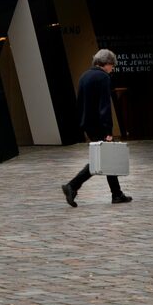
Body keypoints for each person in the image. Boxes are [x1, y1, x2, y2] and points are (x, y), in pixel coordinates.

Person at [62, 49, 132, 207]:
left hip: (88, 124)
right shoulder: (103, 77)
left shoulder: (84, 76)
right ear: (106, 64)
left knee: (107, 157)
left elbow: (80, 103)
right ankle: (72, 185)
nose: (112, 69)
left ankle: (117, 194)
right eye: (112, 66)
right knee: (102, 158)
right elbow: (104, 105)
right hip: (100, 124)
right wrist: (108, 130)